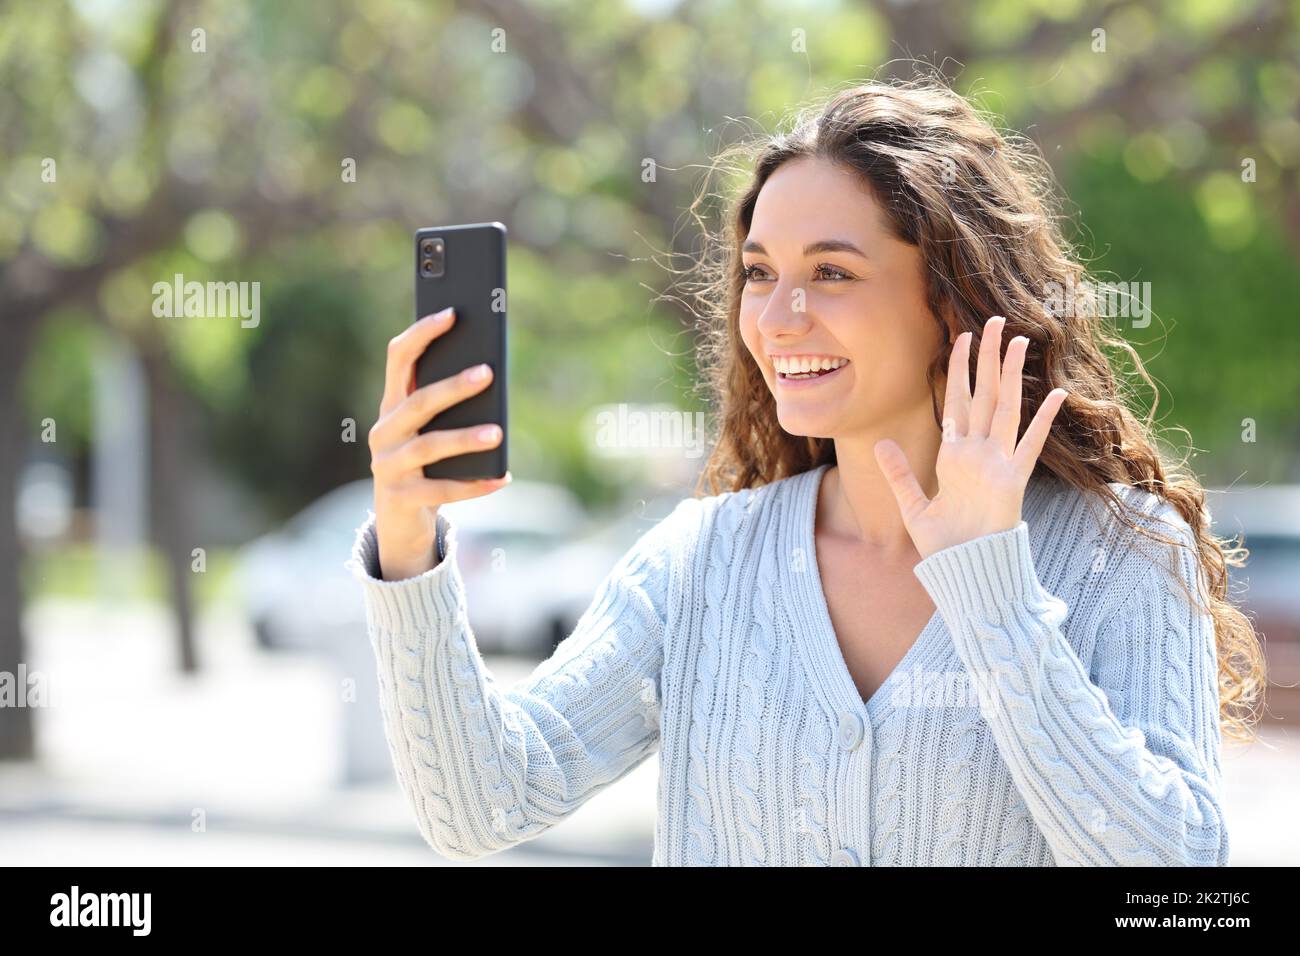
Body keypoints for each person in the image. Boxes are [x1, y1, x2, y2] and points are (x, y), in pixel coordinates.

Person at [348, 75, 1265, 866]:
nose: (778, 318)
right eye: (758, 272)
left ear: (951, 298)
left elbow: (1173, 879)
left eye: (831, 273)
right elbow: (484, 807)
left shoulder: (1122, 553)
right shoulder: (700, 563)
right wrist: (405, 536)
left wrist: (993, 592)